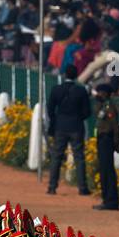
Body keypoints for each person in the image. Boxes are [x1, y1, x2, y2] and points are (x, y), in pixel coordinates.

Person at [45, 64, 92, 196]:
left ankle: (52, 186)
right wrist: (78, 117)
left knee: (57, 156)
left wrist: (56, 120)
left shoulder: (56, 90)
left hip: (60, 127)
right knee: (79, 157)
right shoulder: (81, 91)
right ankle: (82, 188)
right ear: (76, 75)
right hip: (76, 126)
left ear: (65, 75)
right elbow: (87, 112)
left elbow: (50, 109)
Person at [93, 81, 119, 210]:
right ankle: (106, 199)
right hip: (101, 140)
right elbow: (96, 112)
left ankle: (111, 200)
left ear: (105, 94)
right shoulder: (103, 105)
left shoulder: (109, 107)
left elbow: (115, 125)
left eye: (100, 92)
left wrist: (116, 142)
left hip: (107, 140)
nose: (98, 94)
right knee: (103, 170)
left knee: (107, 170)